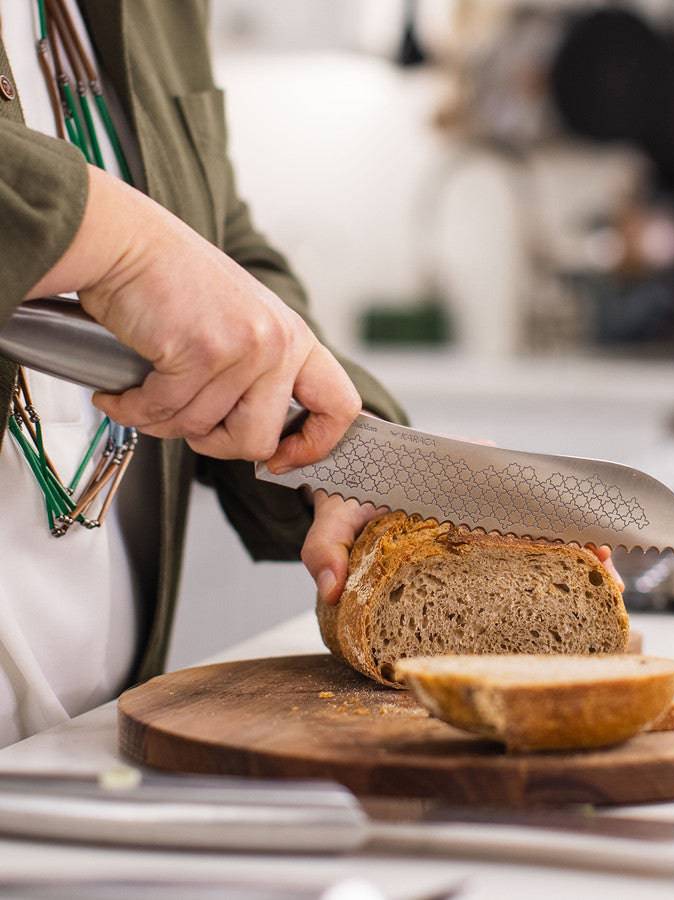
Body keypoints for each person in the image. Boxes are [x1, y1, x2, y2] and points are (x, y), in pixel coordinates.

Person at [0, 0, 404, 747]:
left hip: (88, 763)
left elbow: (216, 233)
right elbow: (158, 250)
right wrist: (113, 240)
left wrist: (345, 448)